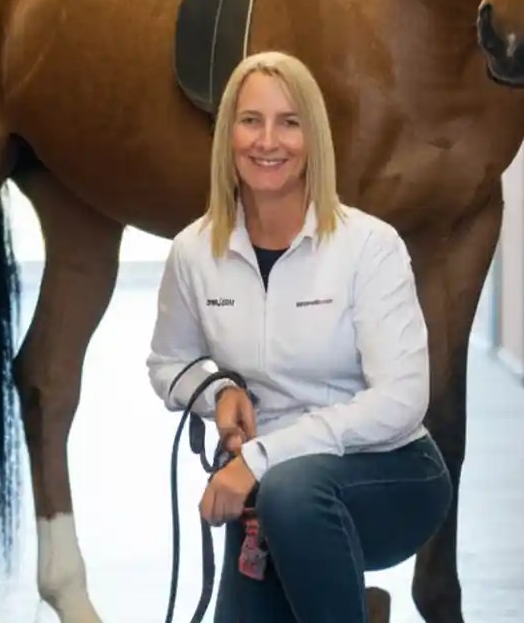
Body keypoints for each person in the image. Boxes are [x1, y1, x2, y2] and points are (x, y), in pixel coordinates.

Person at [146, 50, 453, 622]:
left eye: (290, 122)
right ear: (227, 136)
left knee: (292, 495)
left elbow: (402, 399)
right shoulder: (194, 252)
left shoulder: (369, 247)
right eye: (251, 120)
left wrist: (263, 458)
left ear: (315, 139)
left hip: (389, 472)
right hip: (265, 492)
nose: (269, 141)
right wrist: (217, 392)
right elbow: (168, 362)